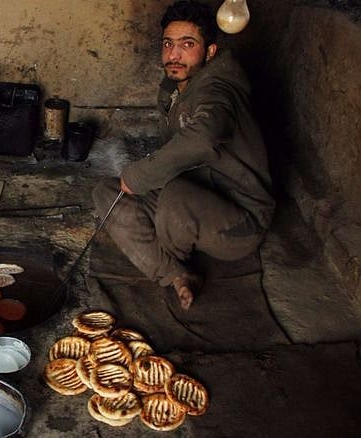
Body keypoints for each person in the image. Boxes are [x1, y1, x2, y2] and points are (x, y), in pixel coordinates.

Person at [92, 0, 275, 310]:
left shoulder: (219, 91)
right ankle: (175, 274)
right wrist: (138, 179)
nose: (173, 55)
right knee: (108, 193)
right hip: (196, 191)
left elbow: (203, 137)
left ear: (211, 51)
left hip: (239, 222)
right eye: (168, 44)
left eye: (187, 44)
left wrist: (142, 175)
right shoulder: (177, 86)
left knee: (172, 196)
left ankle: (172, 250)